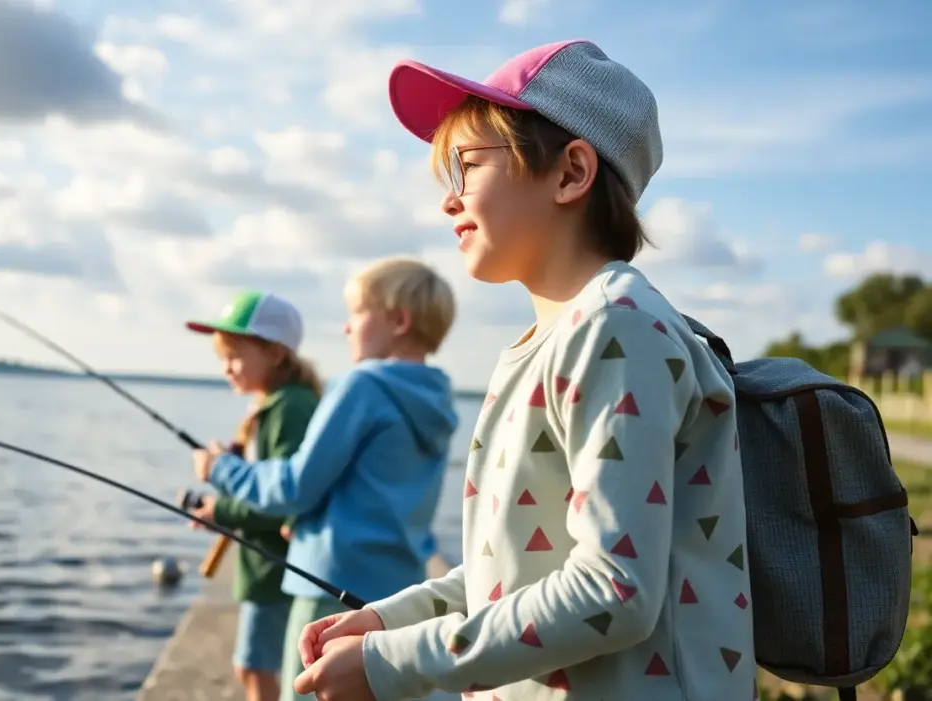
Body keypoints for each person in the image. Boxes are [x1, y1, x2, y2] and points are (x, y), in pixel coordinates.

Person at [293, 40, 757, 701]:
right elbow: (514, 569)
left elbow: (613, 588)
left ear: (570, 173)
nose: (448, 201)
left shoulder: (615, 326)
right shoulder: (552, 340)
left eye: (469, 166)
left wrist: (392, 662)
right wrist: (388, 620)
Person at [189, 256, 461, 701]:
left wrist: (222, 469)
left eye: (356, 314)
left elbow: (295, 487)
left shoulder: (362, 387)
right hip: (399, 589)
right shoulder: (437, 396)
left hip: (330, 587)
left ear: (398, 320)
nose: (346, 328)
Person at [184, 289, 322, 701]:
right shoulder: (274, 404)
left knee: (257, 668)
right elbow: (265, 478)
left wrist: (220, 510)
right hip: (264, 567)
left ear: (276, 353)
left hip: (275, 570)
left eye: (235, 355)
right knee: (254, 666)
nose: (226, 368)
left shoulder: (291, 407)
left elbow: (284, 499)